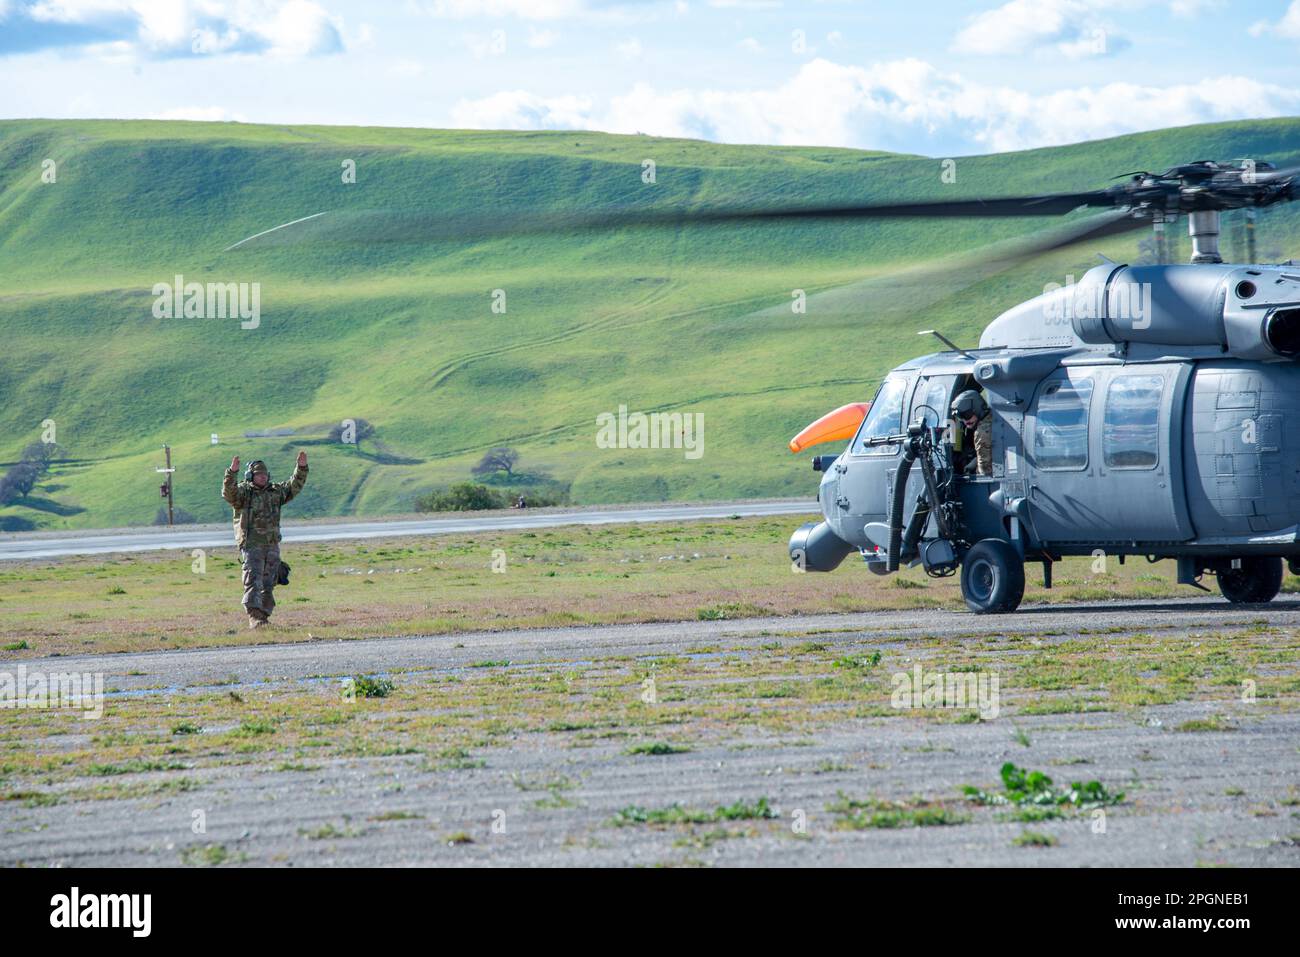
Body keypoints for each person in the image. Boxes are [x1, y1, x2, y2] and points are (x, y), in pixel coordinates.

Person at [222, 452, 308, 629]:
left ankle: (264, 616)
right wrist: (232, 473)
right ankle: (255, 617)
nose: (262, 477)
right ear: (251, 476)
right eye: (258, 474)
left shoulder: (275, 492)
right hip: (252, 545)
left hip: (272, 545)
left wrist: (301, 468)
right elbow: (228, 494)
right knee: (253, 581)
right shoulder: (244, 493)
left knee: (269, 582)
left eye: (264, 474)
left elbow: (294, 486)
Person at [950, 390, 992, 476]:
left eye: (967, 415)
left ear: (977, 408)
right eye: (960, 417)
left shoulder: (981, 433)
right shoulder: (992, 417)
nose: (965, 421)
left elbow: (984, 472)